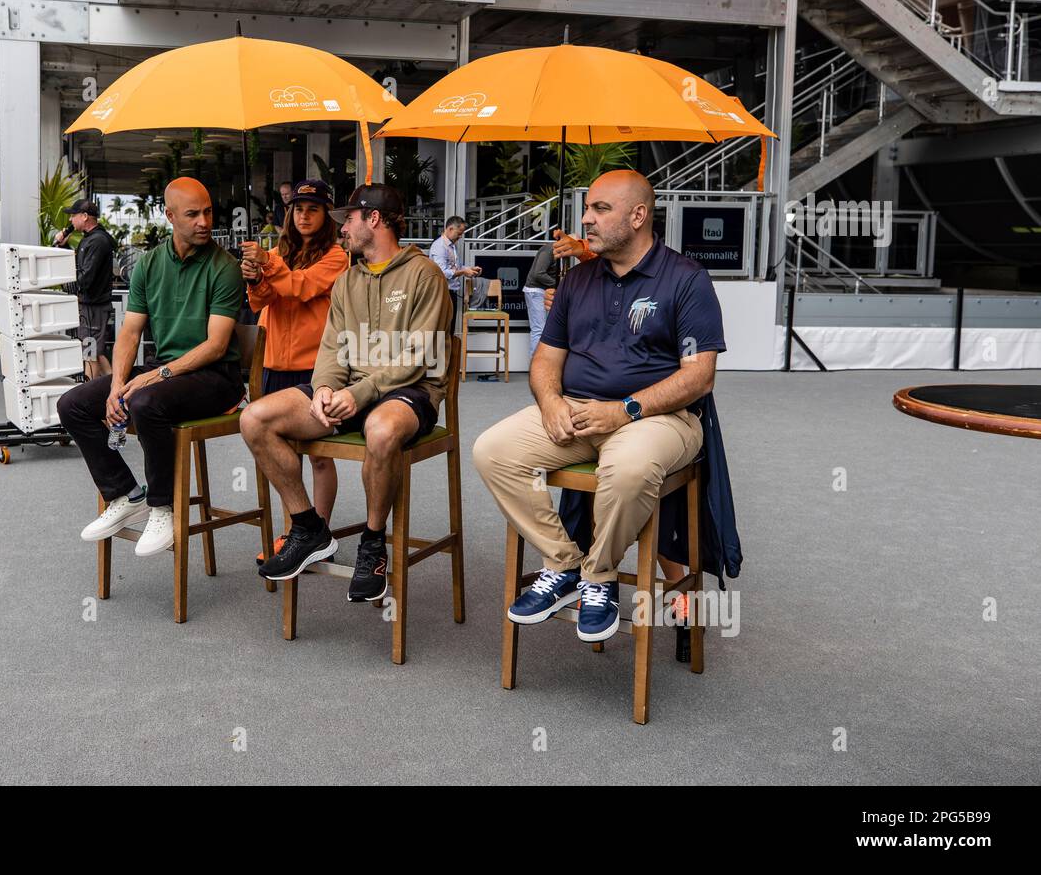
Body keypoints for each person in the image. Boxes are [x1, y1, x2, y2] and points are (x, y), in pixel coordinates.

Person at [472, 170, 724, 643]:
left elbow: (698, 375)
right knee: (493, 450)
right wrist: (549, 402)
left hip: (657, 418)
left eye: (600, 209)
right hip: (575, 411)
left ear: (638, 216)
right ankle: (565, 565)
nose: (586, 219)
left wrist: (624, 410)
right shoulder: (576, 280)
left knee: (628, 469)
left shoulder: (686, 279)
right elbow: (546, 358)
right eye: (587, 208)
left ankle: (599, 576)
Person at [240, 183, 451, 602]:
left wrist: (363, 391)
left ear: (374, 220)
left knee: (380, 429)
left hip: (410, 390)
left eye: (349, 220)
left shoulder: (424, 274)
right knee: (255, 419)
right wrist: (322, 388)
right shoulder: (348, 279)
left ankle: (372, 543)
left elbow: (421, 353)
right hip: (352, 390)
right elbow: (333, 348)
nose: (342, 231)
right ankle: (308, 528)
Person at [58, 178, 246, 556]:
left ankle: (163, 505)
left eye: (208, 211)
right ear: (170, 215)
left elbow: (215, 346)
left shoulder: (225, 268)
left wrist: (151, 377)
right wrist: (117, 386)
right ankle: (126, 495)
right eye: (193, 214)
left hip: (217, 379)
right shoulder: (149, 265)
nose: (204, 221)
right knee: (73, 404)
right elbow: (129, 332)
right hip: (165, 374)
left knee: (145, 403)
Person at [241, 179, 348, 564]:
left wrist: (267, 264)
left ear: (326, 216)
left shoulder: (337, 256)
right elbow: (262, 301)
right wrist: (255, 279)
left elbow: (302, 287)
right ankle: (295, 535)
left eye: (313, 209)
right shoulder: (277, 252)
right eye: (298, 208)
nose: (304, 215)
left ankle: (318, 533)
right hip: (273, 363)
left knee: (319, 455)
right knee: (281, 454)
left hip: (315, 366)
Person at [53, 198, 116, 379]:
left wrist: (73, 290)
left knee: (90, 353)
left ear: (85, 216)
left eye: (73, 215)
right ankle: (114, 390)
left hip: (93, 308)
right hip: (91, 308)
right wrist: (63, 243)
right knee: (97, 352)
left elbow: (86, 277)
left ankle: (89, 396)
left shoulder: (97, 241)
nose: (70, 220)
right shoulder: (91, 239)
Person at [429, 216, 488, 324]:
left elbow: (457, 267)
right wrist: (464, 272)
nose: (460, 236)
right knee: (443, 329)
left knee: (449, 329)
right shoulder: (439, 246)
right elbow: (442, 272)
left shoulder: (451, 246)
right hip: (441, 293)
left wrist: (469, 269)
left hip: (450, 292)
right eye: (459, 233)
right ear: (450, 229)